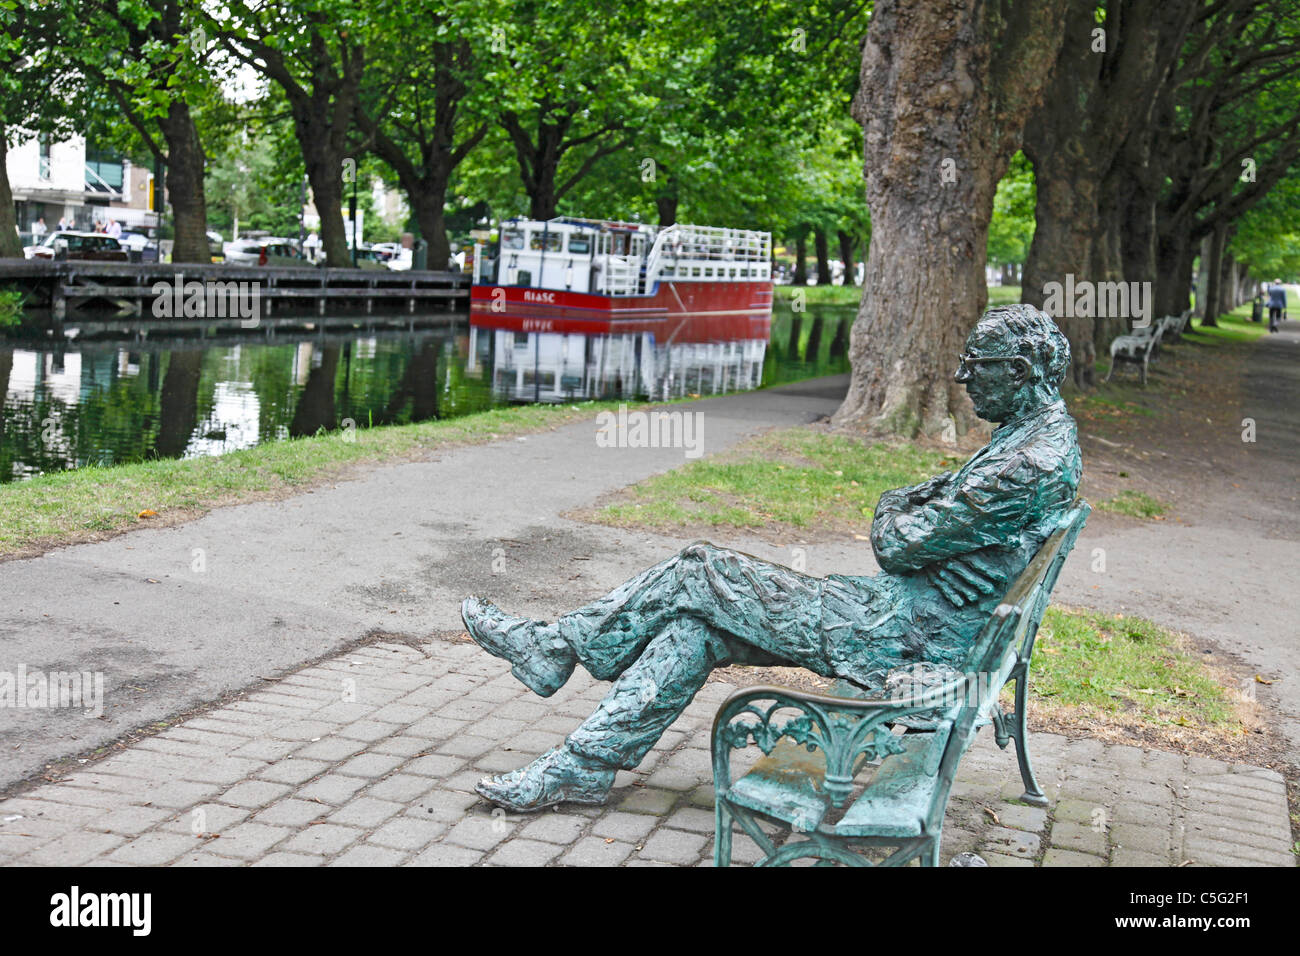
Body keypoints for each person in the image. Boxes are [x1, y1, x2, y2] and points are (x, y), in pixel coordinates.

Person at [461, 303, 1082, 812]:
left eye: (978, 364)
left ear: (1021, 368)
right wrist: (918, 512)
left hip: (900, 637)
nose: (963, 375)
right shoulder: (1038, 436)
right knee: (695, 625)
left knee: (699, 569)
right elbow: (916, 526)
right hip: (912, 617)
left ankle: (554, 649)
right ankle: (582, 764)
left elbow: (895, 542)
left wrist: (904, 508)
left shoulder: (1028, 462)